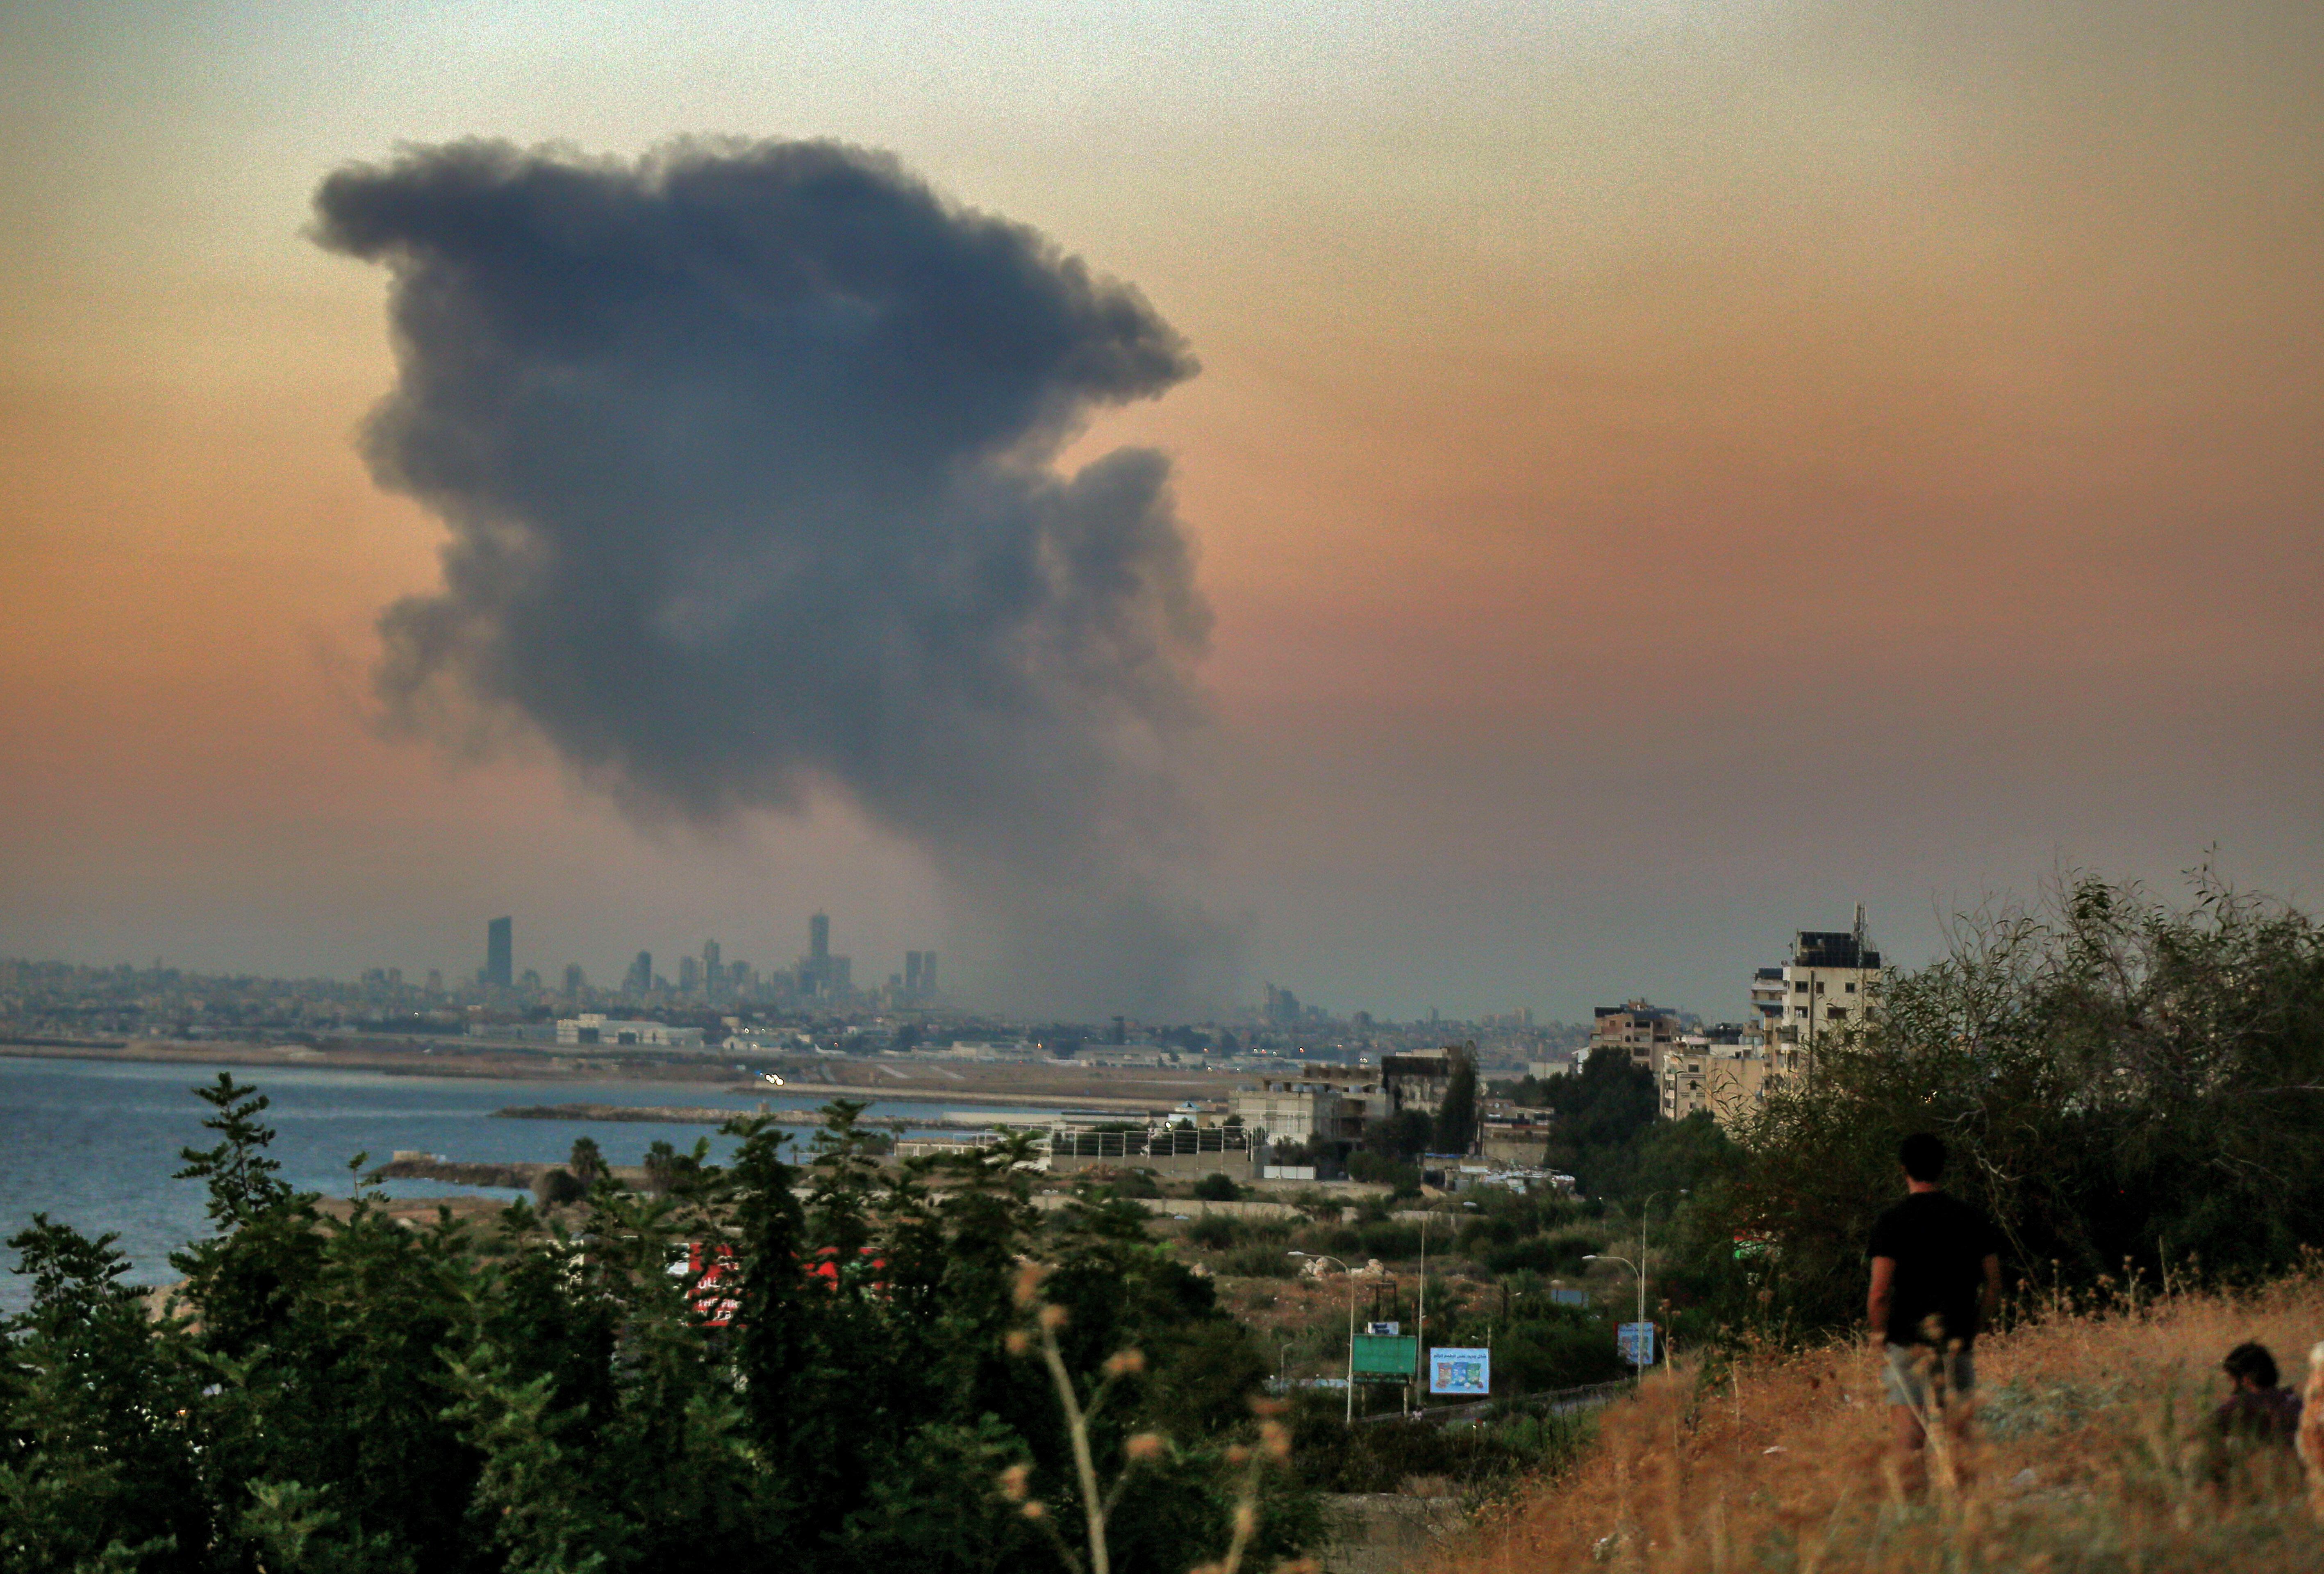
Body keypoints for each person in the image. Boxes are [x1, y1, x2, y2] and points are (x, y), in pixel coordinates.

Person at [1866, 1133, 2004, 1473]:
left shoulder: (1892, 1221)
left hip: (1908, 1343)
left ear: (1904, 1169)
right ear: (1942, 1168)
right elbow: (1994, 1284)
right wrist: (1974, 1328)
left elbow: (1880, 1293)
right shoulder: (1971, 1217)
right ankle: (1966, 1514)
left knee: (1910, 1438)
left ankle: (1915, 1517)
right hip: (1957, 1338)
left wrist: (1880, 1336)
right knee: (1960, 1436)